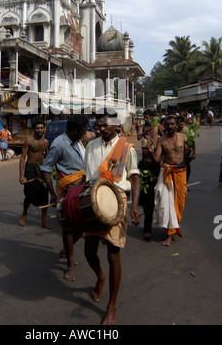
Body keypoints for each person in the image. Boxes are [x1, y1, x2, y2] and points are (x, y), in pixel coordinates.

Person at [82, 112, 141, 325]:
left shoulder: (126, 148)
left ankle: (112, 306)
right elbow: (86, 176)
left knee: (113, 255)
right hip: (93, 203)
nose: (100, 129)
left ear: (116, 127)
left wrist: (134, 206)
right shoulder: (90, 146)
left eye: (104, 126)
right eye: (98, 126)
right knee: (89, 251)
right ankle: (100, 276)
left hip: (117, 203)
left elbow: (134, 178)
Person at [40, 114, 88, 281]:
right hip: (67, 191)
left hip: (81, 189)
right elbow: (46, 169)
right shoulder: (59, 144)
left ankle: (65, 251)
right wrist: (52, 195)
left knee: (81, 227)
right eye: (83, 130)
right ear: (75, 131)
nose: (85, 133)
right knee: (68, 228)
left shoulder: (77, 142)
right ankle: (69, 262)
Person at [148, 115, 189, 246]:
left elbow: (190, 155)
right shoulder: (161, 141)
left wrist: (193, 150)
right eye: (167, 124)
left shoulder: (183, 137)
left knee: (179, 203)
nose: (170, 126)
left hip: (180, 172)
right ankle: (169, 234)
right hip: (166, 173)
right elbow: (156, 160)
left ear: (176, 125)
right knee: (166, 203)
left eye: (172, 124)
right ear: (164, 126)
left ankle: (173, 227)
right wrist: (151, 152)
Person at [19, 119, 52, 229]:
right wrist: (21, 175)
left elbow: (48, 157)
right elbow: (23, 157)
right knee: (29, 194)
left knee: (44, 195)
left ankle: (43, 220)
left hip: (41, 170)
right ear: (34, 129)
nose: (39, 130)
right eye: (37, 128)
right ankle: (24, 213)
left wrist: (50, 170)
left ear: (44, 129)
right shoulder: (29, 141)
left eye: (41, 128)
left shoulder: (46, 142)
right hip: (30, 169)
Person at [138, 143, 160, 240]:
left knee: (149, 212)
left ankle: (147, 230)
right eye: (143, 148)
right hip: (141, 190)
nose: (144, 150)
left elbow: (157, 173)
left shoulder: (154, 163)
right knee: (143, 209)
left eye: (146, 148)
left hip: (150, 190)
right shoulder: (141, 163)